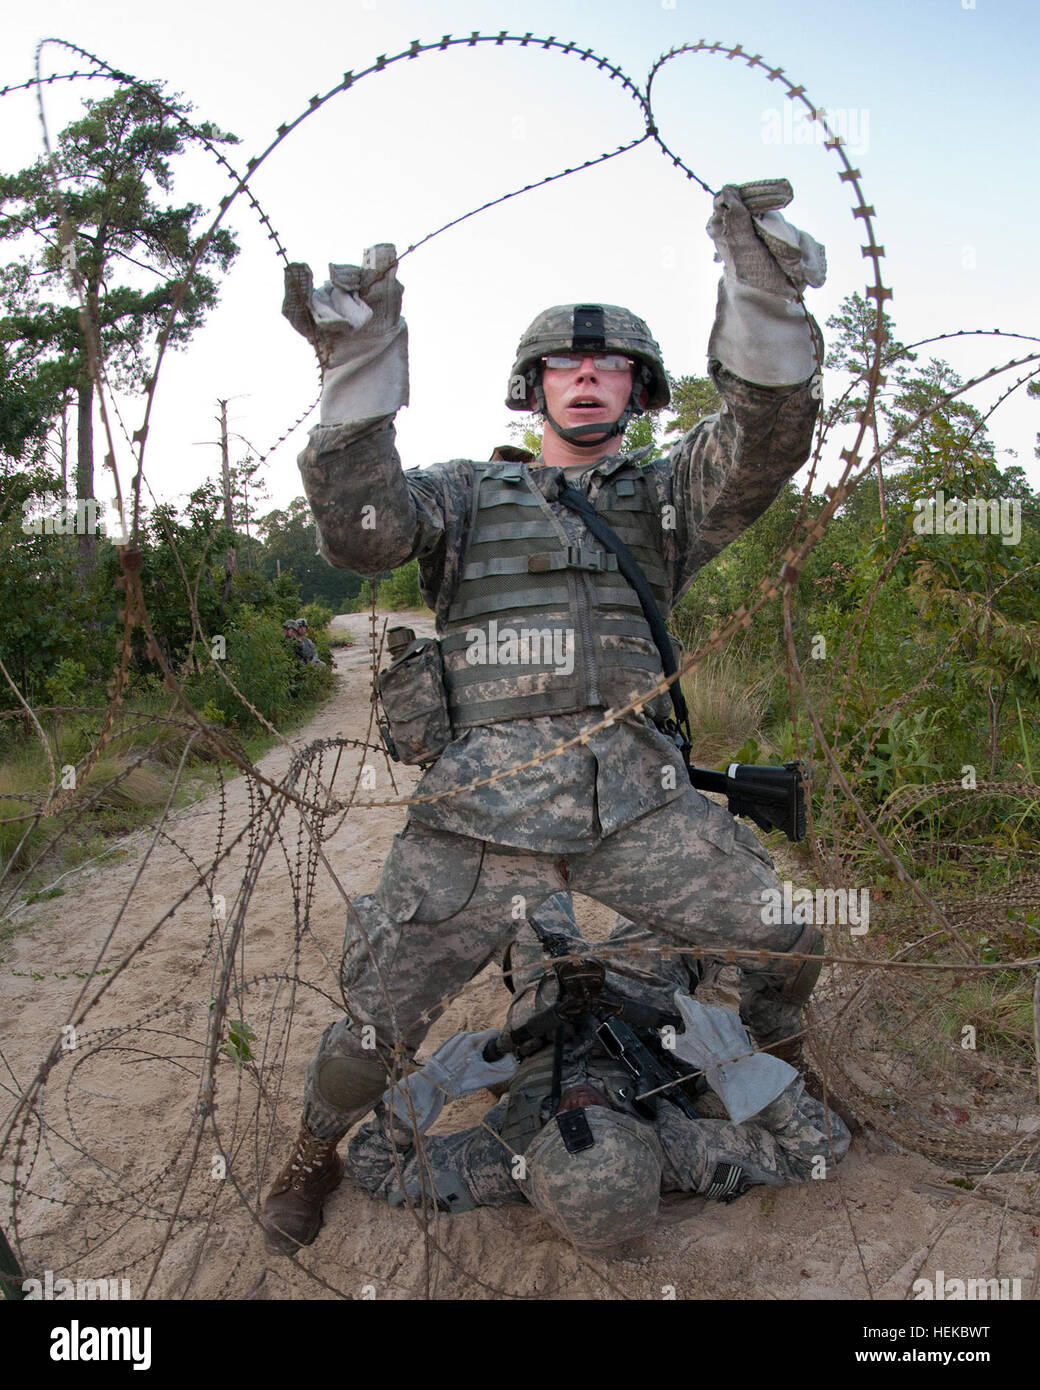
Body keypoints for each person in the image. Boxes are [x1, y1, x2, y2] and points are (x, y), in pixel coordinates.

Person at [262, 179, 828, 1255]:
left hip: (633, 805)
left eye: (607, 364)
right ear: (533, 386)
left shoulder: (666, 503)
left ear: (638, 387)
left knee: (786, 934)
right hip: (481, 818)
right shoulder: (463, 495)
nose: (585, 378)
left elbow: (763, 448)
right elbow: (363, 534)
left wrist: (760, 300)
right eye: (566, 365)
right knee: (377, 1020)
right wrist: (354, 380)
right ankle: (309, 1154)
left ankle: (781, 1069)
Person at [345, 895, 851, 1252]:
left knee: (528, 903)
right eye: (605, 1112)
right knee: (683, 908)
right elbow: (819, 1151)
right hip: (646, 1007)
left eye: (563, 1115)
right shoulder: (684, 1155)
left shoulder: (500, 1166)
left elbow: (374, 1168)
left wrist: (428, 1089)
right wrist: (740, 1068)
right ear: (644, 1141)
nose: (582, 1097)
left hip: (542, 1020)